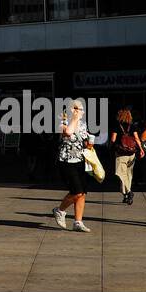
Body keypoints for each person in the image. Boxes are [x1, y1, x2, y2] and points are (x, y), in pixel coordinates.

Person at [52, 99, 93, 233]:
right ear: (73, 110)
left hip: (80, 160)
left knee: (82, 193)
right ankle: (60, 210)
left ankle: (78, 222)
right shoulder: (62, 122)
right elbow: (68, 132)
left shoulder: (83, 124)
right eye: (80, 109)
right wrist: (74, 118)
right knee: (77, 191)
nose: (83, 112)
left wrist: (89, 144)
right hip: (66, 161)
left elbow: (84, 140)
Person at [109, 106, 142, 205]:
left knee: (121, 173)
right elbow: (136, 138)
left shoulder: (116, 125)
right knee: (128, 174)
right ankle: (126, 196)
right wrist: (141, 149)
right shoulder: (132, 126)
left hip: (121, 154)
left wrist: (110, 146)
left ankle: (128, 192)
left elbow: (113, 139)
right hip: (132, 153)